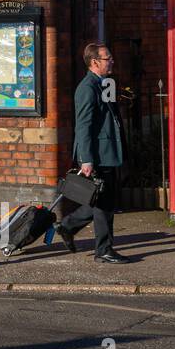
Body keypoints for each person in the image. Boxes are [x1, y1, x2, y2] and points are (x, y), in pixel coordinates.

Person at [56, 42, 132, 263]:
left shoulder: (105, 84)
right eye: (107, 58)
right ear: (94, 62)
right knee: (105, 204)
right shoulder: (87, 88)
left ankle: (68, 227)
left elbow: (110, 119)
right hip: (98, 154)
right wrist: (86, 159)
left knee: (101, 200)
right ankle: (103, 250)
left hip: (109, 151)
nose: (112, 61)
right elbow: (83, 126)